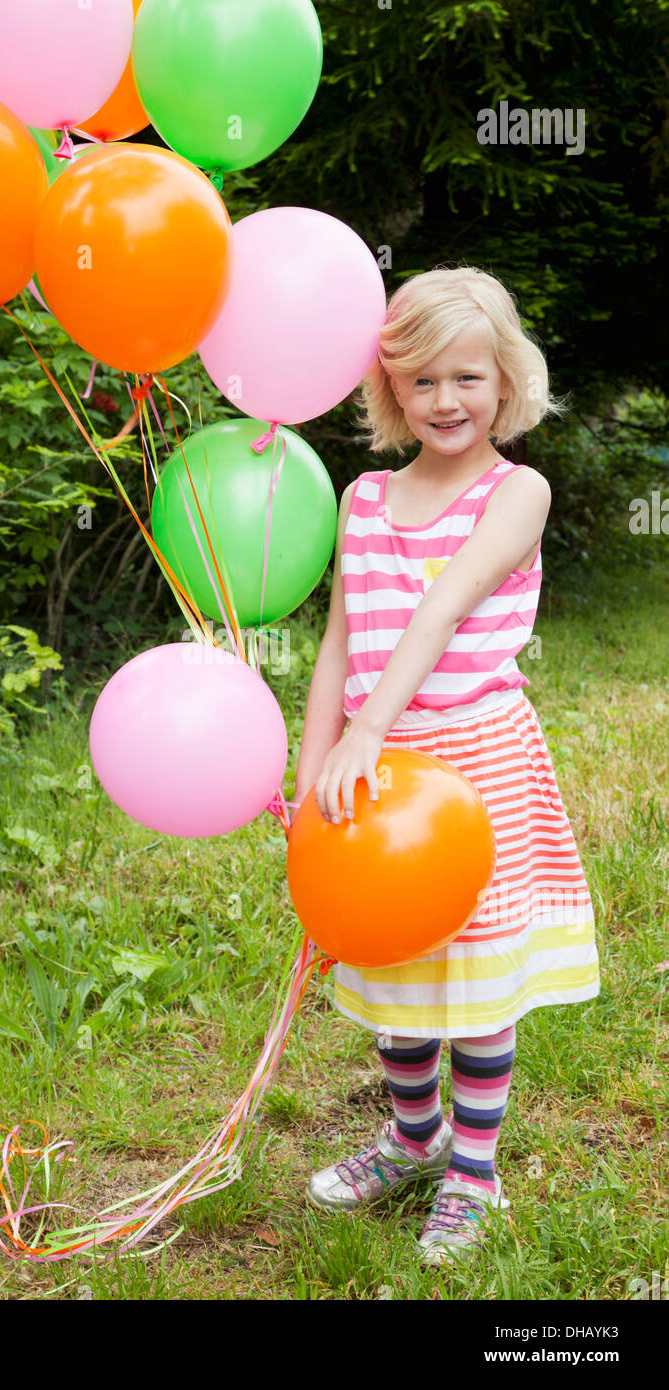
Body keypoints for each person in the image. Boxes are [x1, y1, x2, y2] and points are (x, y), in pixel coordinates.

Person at [292, 266, 600, 1267]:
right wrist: (312, 773)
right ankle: (409, 1137)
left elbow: (442, 607)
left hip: (471, 764)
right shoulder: (365, 496)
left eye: (465, 377)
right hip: (373, 767)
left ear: (503, 380)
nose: (444, 400)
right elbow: (338, 641)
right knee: (392, 964)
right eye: (419, 382)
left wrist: (370, 729)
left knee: (470, 982)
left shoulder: (517, 492)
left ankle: (472, 1172)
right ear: (391, 391)